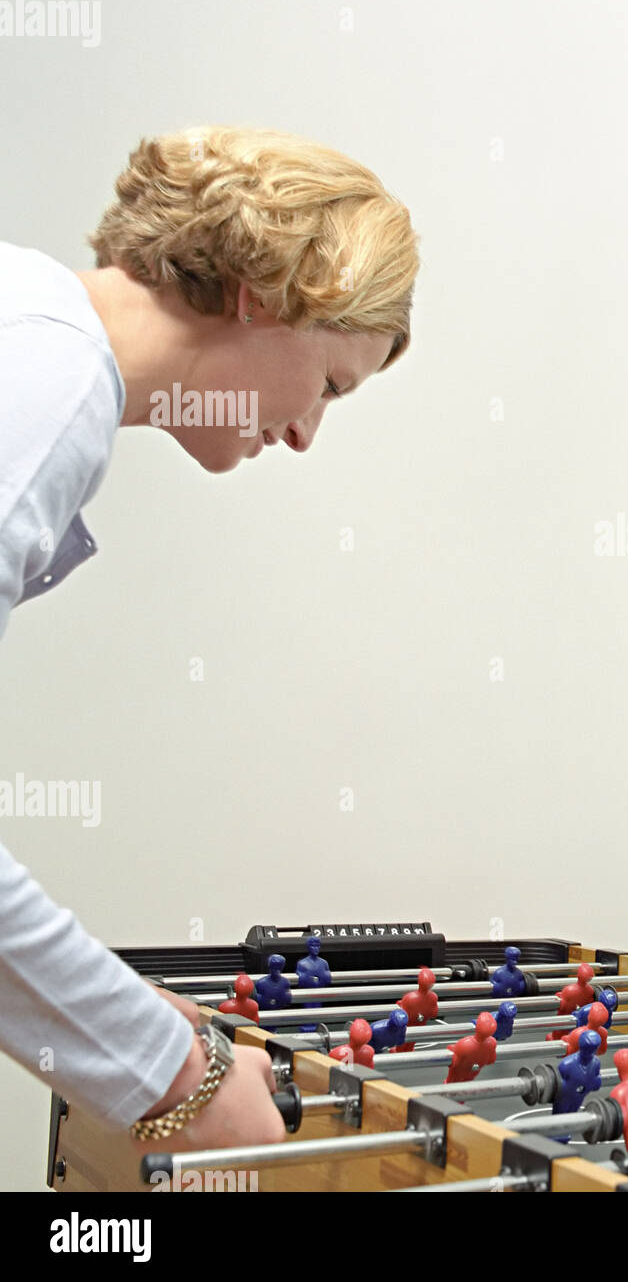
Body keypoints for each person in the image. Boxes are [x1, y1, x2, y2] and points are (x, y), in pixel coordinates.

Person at [0, 125, 419, 1148]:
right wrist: (169, 1071)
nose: (309, 433)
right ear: (263, 291)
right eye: (328, 383)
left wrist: (135, 1022)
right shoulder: (50, 380)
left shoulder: (28, 318)